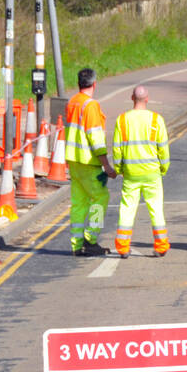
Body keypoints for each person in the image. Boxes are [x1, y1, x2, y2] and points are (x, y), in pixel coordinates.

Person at [111, 85, 170, 258]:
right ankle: (160, 246)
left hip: (131, 173)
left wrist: (119, 168)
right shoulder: (156, 119)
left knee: (127, 209)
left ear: (132, 98)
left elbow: (116, 149)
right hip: (152, 173)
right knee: (156, 208)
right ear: (147, 99)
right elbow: (163, 149)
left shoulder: (122, 120)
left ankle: (122, 247)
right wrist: (163, 168)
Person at [63, 68, 118, 256]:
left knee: (79, 203)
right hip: (88, 161)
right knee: (101, 197)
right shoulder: (90, 106)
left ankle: (76, 244)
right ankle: (91, 238)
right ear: (94, 84)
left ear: (79, 83)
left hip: (74, 161)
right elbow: (95, 138)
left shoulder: (72, 102)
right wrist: (107, 165)